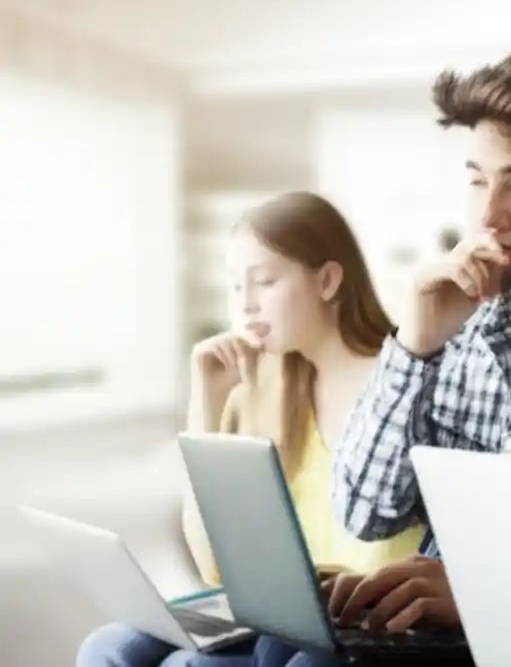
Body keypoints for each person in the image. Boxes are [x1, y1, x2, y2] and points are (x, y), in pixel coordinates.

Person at [265, 35, 511, 666]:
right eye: (477, 182)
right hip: (428, 633)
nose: (490, 216)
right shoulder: (458, 333)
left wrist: (483, 587)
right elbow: (365, 512)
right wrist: (417, 343)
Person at [77, 192, 422, 666]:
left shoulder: (404, 381)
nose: (248, 305)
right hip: (269, 616)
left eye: (264, 282)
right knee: (107, 648)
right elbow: (215, 567)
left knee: (190, 666)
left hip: (355, 620)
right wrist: (208, 405)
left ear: (327, 280)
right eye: (237, 288)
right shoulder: (265, 390)